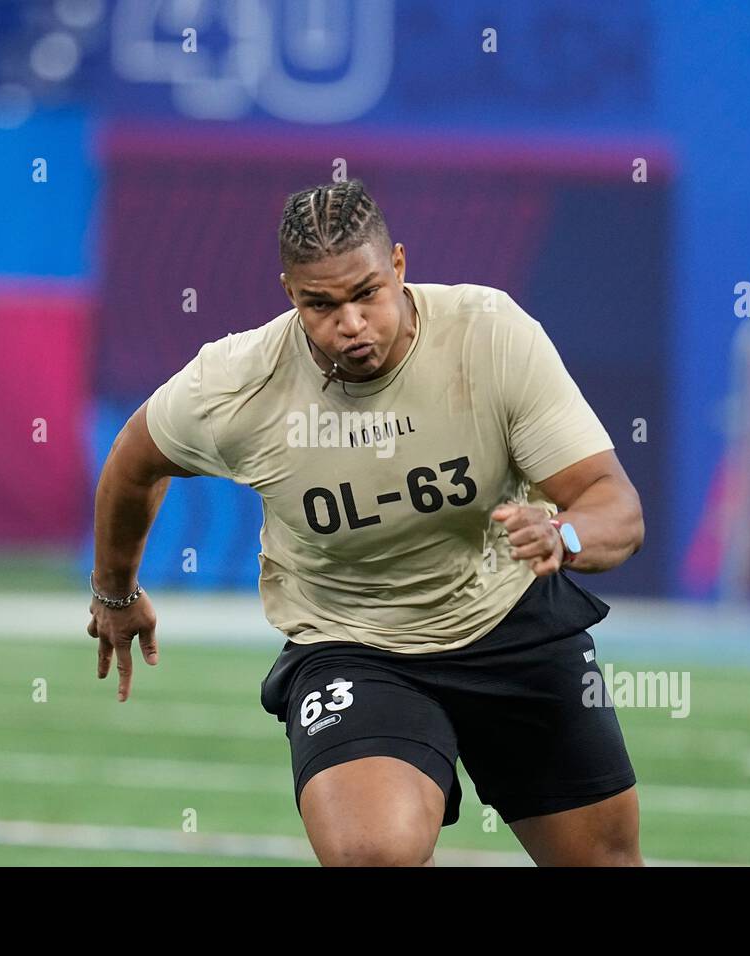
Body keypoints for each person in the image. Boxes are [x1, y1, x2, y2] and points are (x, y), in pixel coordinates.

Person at [87, 178, 645, 866]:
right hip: (353, 644)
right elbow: (133, 463)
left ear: (400, 266)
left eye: (366, 294)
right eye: (321, 305)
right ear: (290, 293)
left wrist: (564, 534)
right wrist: (115, 591)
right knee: (371, 858)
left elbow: (612, 502)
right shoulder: (236, 384)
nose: (350, 324)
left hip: (511, 620)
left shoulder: (490, 334)